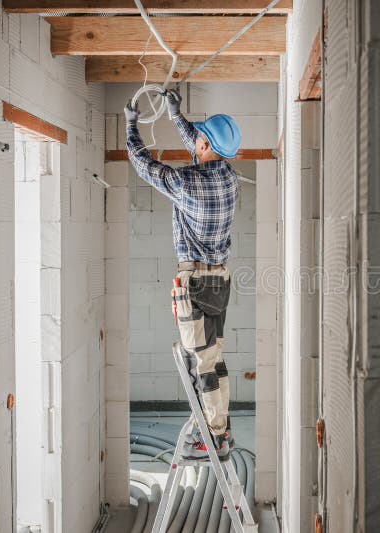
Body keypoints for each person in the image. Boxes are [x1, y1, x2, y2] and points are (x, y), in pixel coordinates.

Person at [124, 90, 240, 459]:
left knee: (202, 363)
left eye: (199, 139)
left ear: (205, 144)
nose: (196, 143)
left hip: (194, 284)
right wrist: (176, 117)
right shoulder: (229, 178)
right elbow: (202, 146)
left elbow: (143, 165)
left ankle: (215, 438)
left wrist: (130, 126)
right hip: (219, 282)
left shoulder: (185, 184)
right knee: (213, 359)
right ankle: (221, 426)